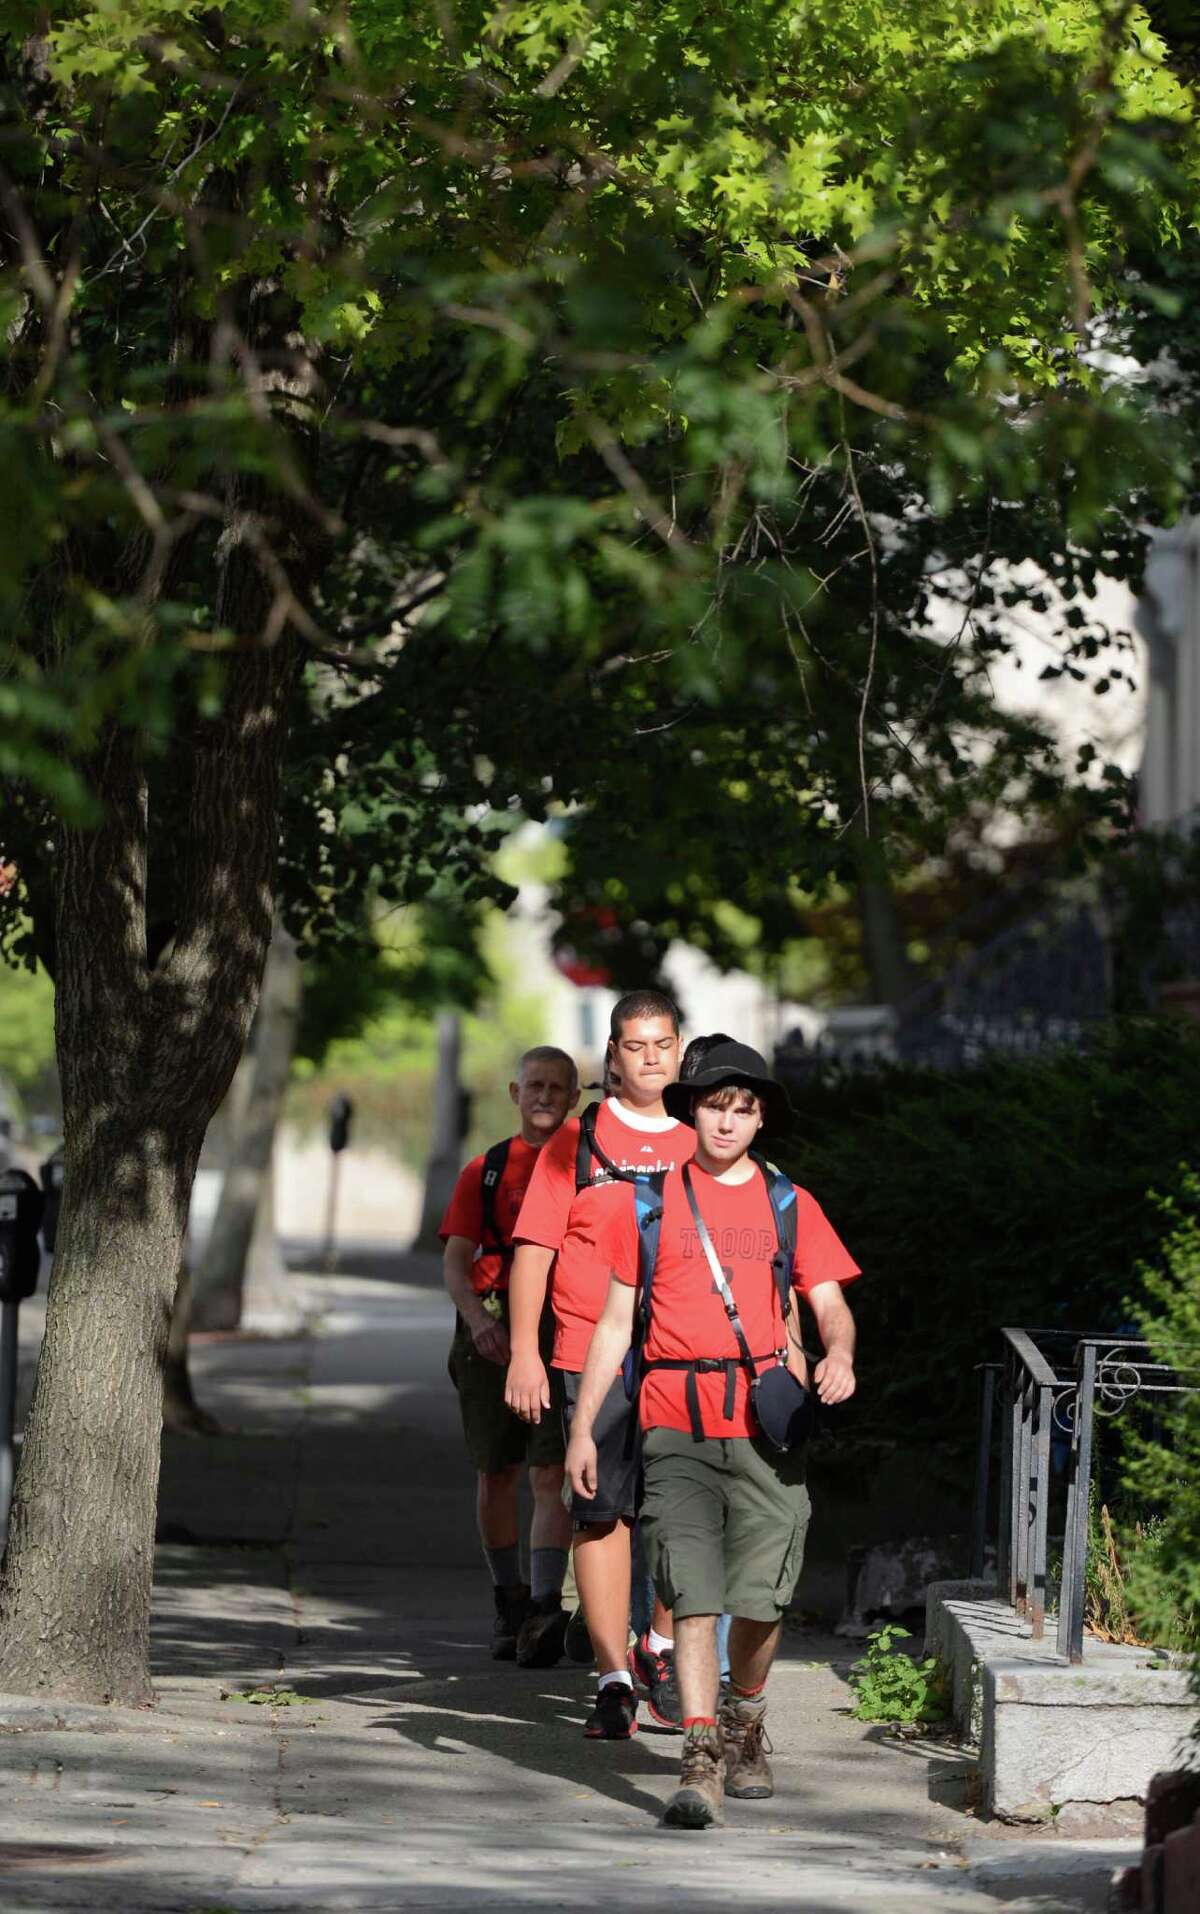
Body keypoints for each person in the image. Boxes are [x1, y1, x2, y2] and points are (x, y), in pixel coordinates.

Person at [565, 1038, 859, 1826]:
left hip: (766, 1427)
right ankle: (699, 1759)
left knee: (763, 1600)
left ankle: (747, 1718)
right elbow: (614, 1325)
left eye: (743, 1108)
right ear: (692, 1110)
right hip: (673, 1427)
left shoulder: (790, 1203)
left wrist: (840, 1353)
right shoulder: (648, 1205)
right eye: (715, 1105)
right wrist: (584, 1429)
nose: (727, 1121)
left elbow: (828, 1297)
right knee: (691, 1595)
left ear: (760, 1119)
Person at [505, 989, 694, 1738]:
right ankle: (614, 1677)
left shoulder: (704, 1137)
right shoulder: (575, 1144)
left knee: (681, 1512)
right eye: (635, 1045)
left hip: (685, 1358)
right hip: (588, 1352)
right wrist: (523, 1351)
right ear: (612, 1057)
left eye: (663, 1044)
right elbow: (533, 1253)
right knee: (601, 1512)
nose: (650, 1057)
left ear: (679, 1049)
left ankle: (663, 1645)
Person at [441, 1046, 580, 1665]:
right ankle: (509, 1597)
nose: (545, 1096)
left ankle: (546, 1609)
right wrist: (478, 1324)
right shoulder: (487, 1170)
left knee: (553, 1472)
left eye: (557, 1087)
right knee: (497, 1471)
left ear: (576, 1099)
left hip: (563, 1327)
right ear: (514, 1093)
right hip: (491, 1324)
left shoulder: (587, 1167)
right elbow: (454, 1260)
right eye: (535, 1086)